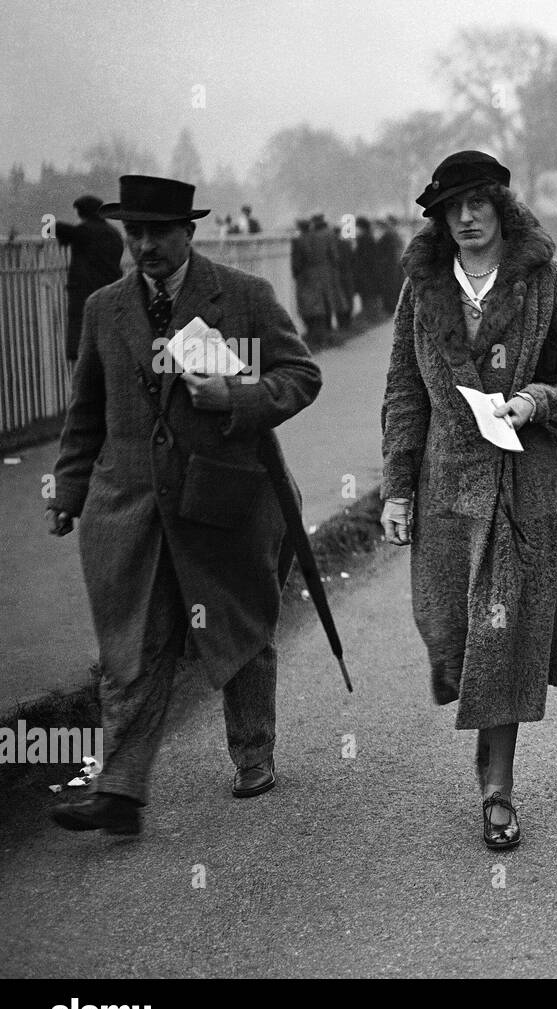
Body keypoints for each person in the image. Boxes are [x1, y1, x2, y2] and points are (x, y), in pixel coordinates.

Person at [45, 175, 321, 834]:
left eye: (158, 234)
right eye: (134, 234)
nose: (145, 247)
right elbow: (85, 416)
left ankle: (254, 755)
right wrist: (68, 488)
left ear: (187, 233)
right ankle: (120, 789)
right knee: (132, 645)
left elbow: (301, 376)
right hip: (130, 506)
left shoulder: (244, 296)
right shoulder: (104, 309)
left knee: (239, 625)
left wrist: (236, 397)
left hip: (221, 495)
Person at [379, 151, 557, 851]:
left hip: (523, 484)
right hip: (445, 485)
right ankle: (487, 754)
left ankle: (497, 787)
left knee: (503, 636)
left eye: (479, 203)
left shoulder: (554, 283)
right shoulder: (423, 293)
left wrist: (539, 399)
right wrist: (394, 489)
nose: (467, 218)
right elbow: (404, 393)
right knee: (451, 632)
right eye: (453, 208)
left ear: (502, 207)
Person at [54, 194, 124, 362]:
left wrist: (48, 221)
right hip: (111, 290)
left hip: (84, 291)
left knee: (82, 339)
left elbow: (55, 228)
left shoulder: (84, 232)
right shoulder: (114, 233)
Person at [292, 213, 338, 349]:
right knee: (322, 306)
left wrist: (297, 274)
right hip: (323, 276)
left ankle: (314, 336)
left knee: (307, 307)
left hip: (306, 278)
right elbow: (333, 256)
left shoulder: (299, 241)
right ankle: (325, 336)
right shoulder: (321, 237)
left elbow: (297, 264)